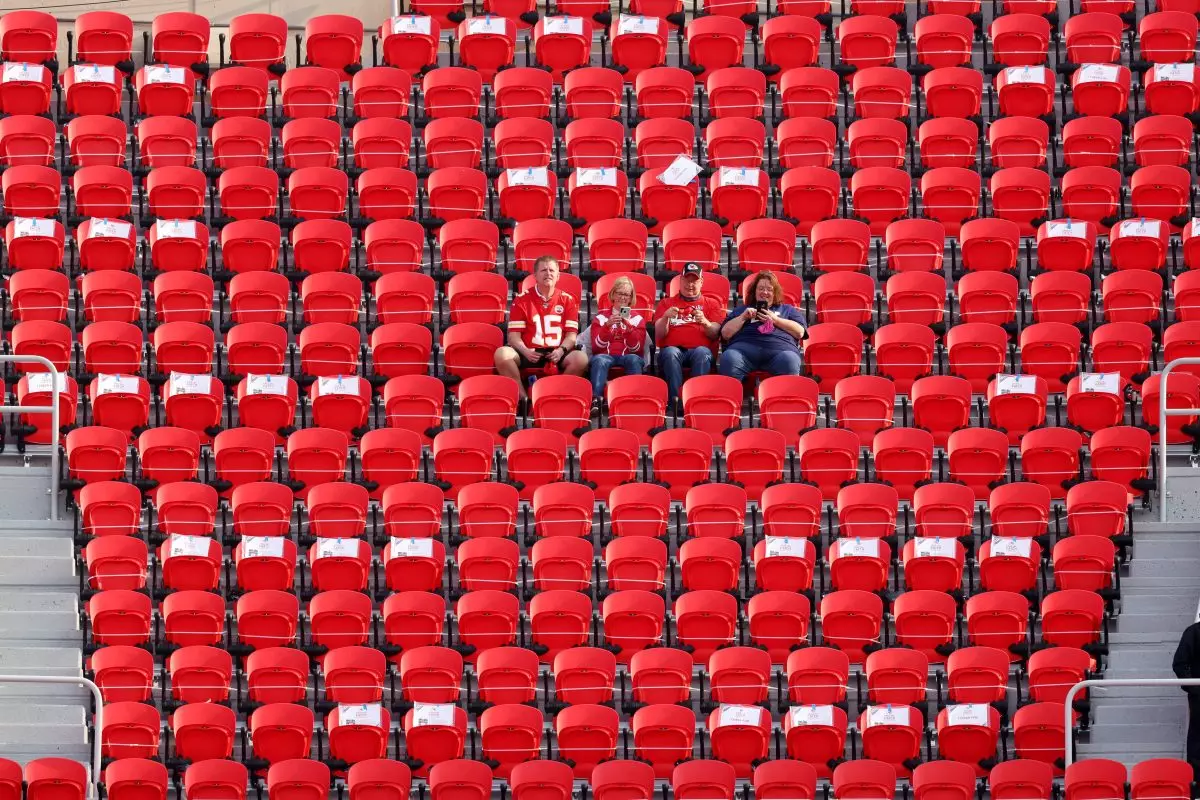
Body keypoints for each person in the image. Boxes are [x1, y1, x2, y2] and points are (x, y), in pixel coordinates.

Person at [495, 255, 588, 400]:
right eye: (543, 270)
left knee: (581, 358)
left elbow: (571, 336)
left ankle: (557, 396)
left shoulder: (568, 300)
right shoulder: (522, 299)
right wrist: (526, 351)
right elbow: (513, 337)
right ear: (535, 276)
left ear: (558, 276)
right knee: (502, 354)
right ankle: (523, 400)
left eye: (552, 270)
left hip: (557, 352)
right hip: (529, 351)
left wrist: (561, 350)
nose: (548, 273)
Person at [653, 263, 723, 410]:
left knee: (702, 352)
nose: (690, 284)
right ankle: (676, 404)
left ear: (701, 282)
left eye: (694, 280)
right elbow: (659, 334)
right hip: (673, 350)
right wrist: (665, 318)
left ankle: (696, 403)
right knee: (671, 353)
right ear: (680, 280)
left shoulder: (711, 303)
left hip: (700, 350)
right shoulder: (666, 303)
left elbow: (716, 332)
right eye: (686, 280)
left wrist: (705, 322)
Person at [718, 270, 807, 381]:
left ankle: (783, 397)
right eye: (760, 288)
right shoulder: (741, 310)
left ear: (775, 293)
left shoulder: (788, 310)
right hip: (743, 352)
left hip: (780, 352)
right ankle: (732, 396)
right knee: (729, 358)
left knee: (790, 360)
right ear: (754, 291)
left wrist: (775, 320)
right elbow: (725, 334)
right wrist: (743, 317)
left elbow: (800, 332)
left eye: (769, 289)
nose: (764, 292)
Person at [587, 276, 647, 410]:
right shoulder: (601, 318)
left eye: (627, 294)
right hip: (606, 355)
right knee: (600, 359)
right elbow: (597, 347)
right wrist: (607, 327)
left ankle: (635, 399)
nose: (623, 297)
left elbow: (637, 349)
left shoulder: (637, 319)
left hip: (628, 355)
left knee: (633, 359)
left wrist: (628, 328)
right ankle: (596, 401)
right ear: (613, 295)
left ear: (631, 298)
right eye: (619, 293)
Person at [1173, 620, 1200, 777]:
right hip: (1199, 697)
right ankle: (1196, 785)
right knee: (1197, 739)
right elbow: (1179, 663)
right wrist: (1194, 689)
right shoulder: (1193, 632)